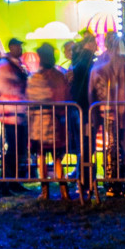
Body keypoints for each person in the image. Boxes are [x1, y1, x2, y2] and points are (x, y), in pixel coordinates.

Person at [91, 31, 125, 198]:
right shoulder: (123, 61)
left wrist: (96, 111)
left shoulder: (100, 61)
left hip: (106, 111)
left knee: (112, 146)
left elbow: (93, 87)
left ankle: (112, 184)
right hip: (123, 110)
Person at [27, 43, 73, 200]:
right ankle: (64, 191)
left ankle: (45, 191)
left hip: (39, 122)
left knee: (42, 157)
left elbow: (30, 98)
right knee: (57, 157)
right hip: (56, 121)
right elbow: (66, 96)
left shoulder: (35, 78)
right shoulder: (59, 76)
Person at [0, 39, 31, 195]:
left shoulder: (15, 64)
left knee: (19, 149)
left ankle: (13, 181)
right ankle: (5, 183)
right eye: (18, 46)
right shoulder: (4, 65)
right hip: (10, 112)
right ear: (11, 47)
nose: (20, 48)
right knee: (13, 149)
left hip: (18, 112)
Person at [67, 36, 96, 195]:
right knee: (86, 147)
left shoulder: (80, 62)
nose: (96, 45)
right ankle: (84, 182)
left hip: (82, 108)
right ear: (88, 44)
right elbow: (87, 88)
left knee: (85, 147)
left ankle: (83, 180)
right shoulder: (86, 63)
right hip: (85, 109)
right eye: (94, 42)